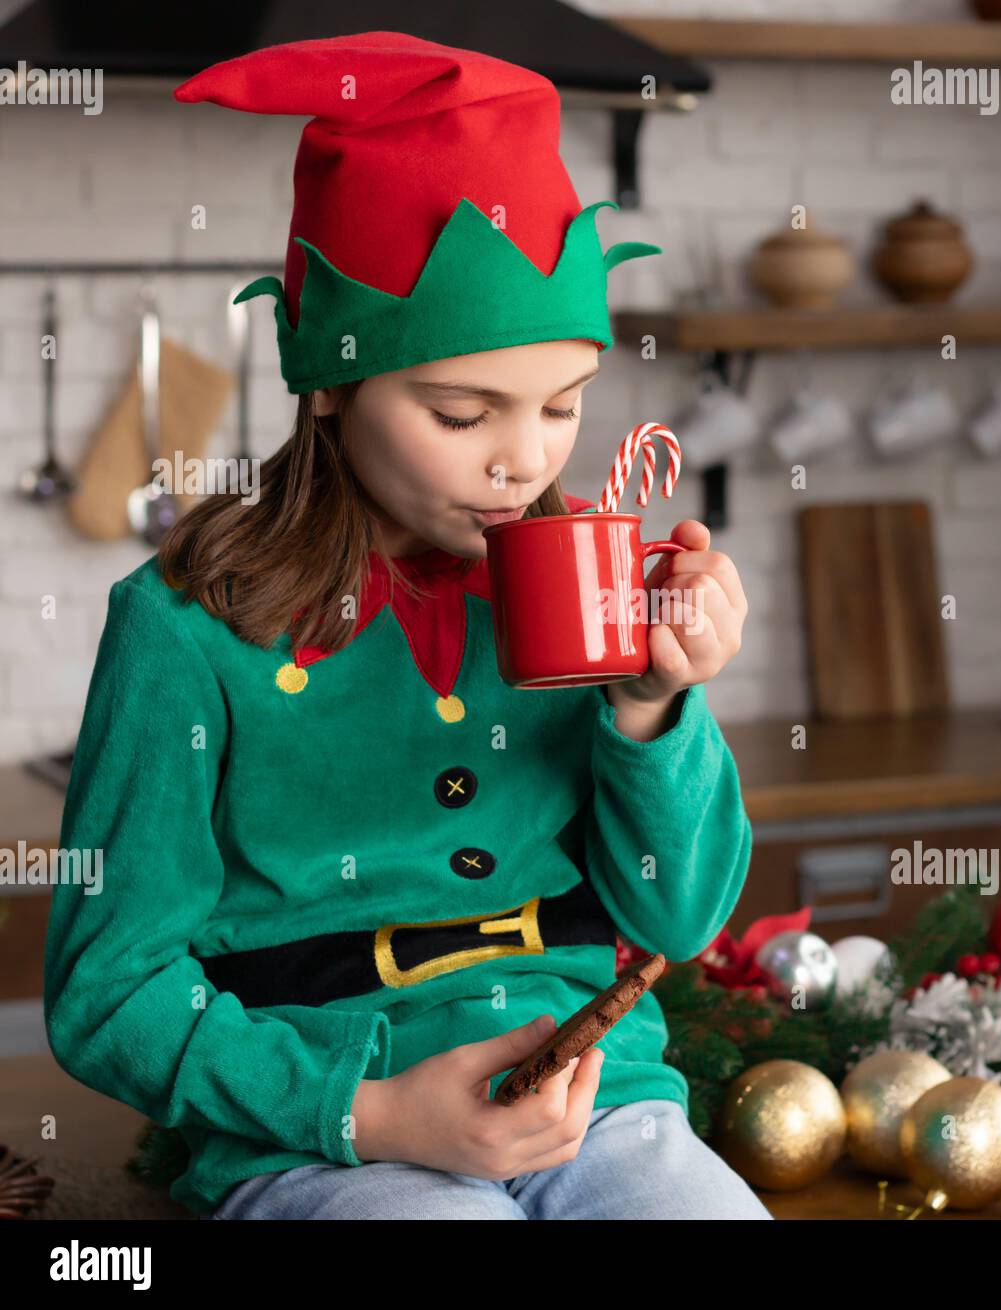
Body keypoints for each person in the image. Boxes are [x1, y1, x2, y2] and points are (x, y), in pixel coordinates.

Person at [43, 31, 770, 1221]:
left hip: (604, 1108)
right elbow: (107, 989)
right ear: (328, 380)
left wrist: (654, 709)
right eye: (460, 409)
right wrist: (370, 1112)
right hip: (323, 1134)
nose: (521, 458)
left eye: (562, 405)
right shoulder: (185, 627)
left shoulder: (582, 585)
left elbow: (676, 916)